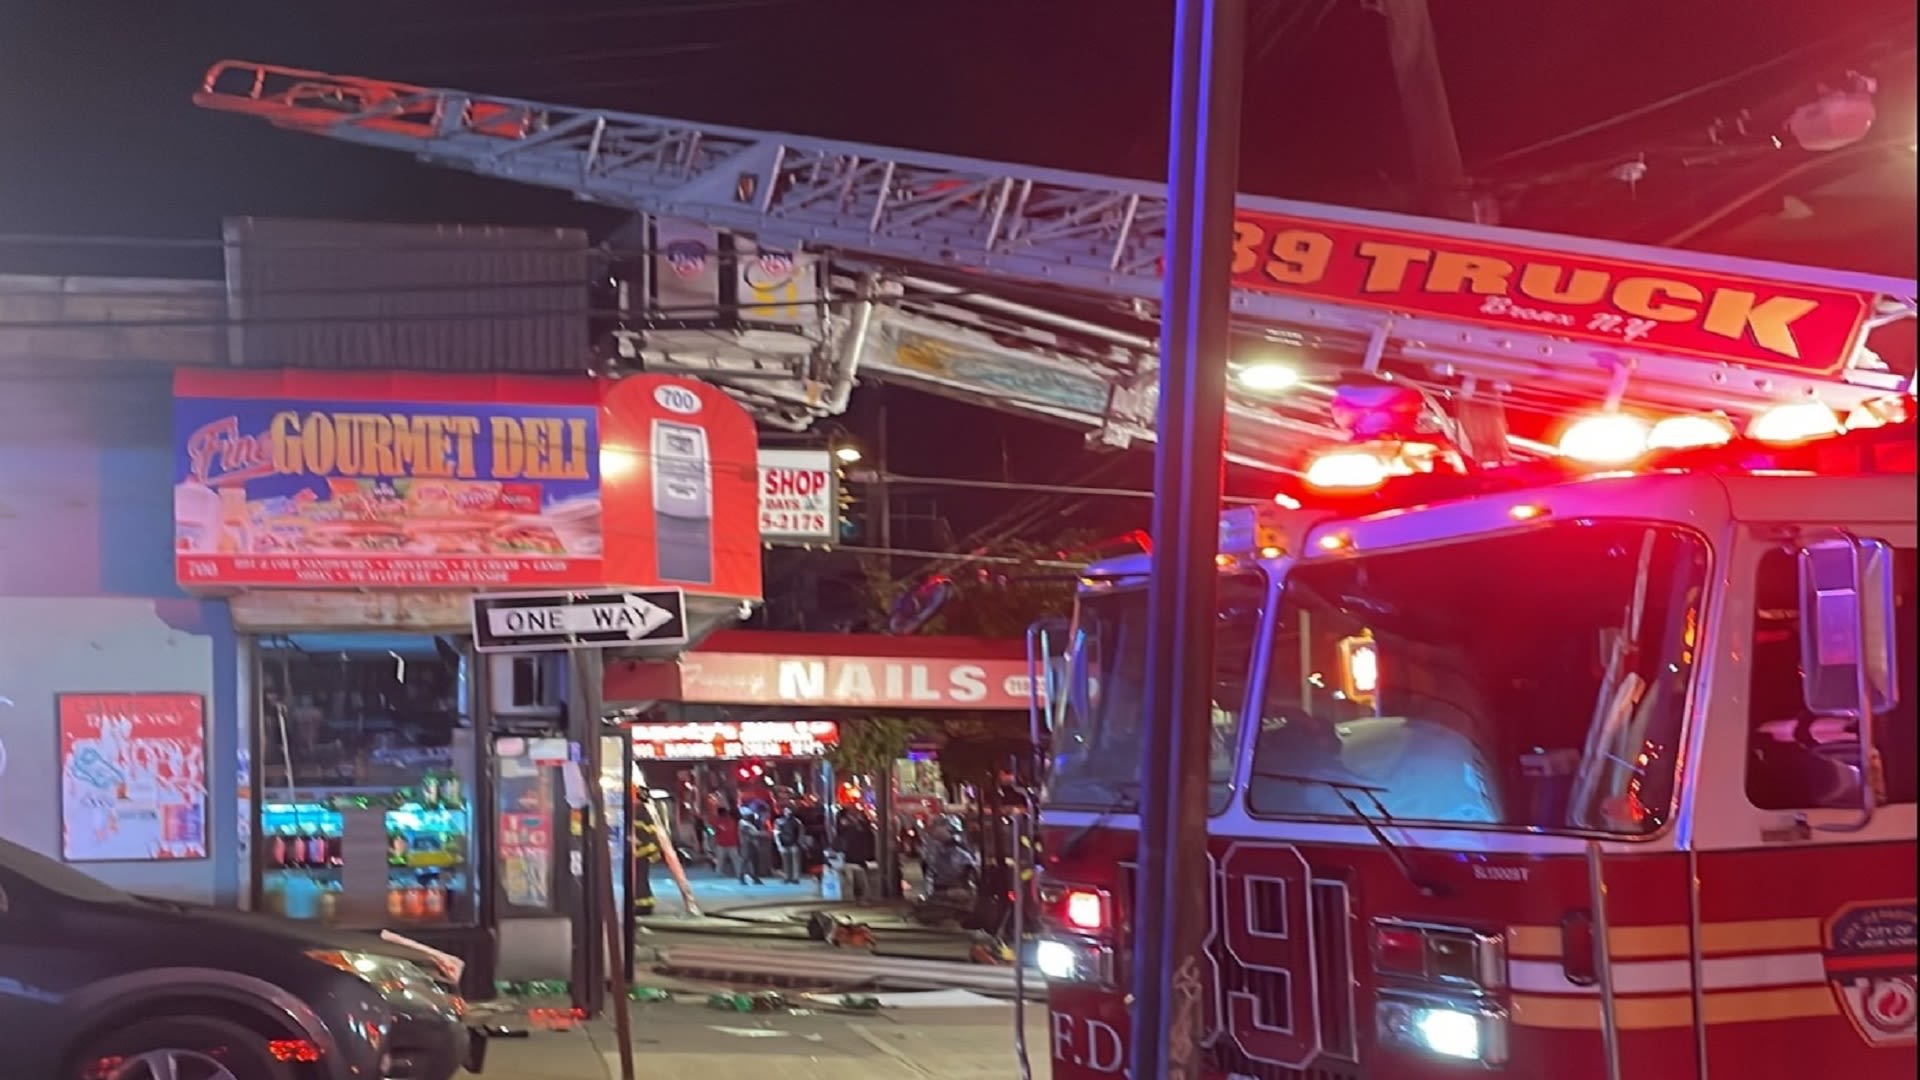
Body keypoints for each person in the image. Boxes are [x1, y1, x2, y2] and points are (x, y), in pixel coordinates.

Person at [832, 807, 877, 901]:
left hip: (852, 858)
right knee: (858, 879)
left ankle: (854, 898)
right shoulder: (858, 827)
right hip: (856, 858)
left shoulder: (851, 828)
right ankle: (859, 897)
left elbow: (839, 842)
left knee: (852, 879)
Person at [630, 806, 660, 918]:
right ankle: (644, 904)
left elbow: (649, 832)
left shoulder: (639, 811)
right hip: (641, 852)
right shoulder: (640, 810)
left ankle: (642, 905)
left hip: (640, 852)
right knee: (640, 879)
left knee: (639, 879)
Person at [709, 805, 744, 882]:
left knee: (724, 860)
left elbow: (710, 829)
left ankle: (737, 873)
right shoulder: (729, 821)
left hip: (725, 844)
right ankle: (738, 873)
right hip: (727, 844)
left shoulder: (727, 821)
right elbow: (710, 829)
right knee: (732, 860)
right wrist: (712, 834)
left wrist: (712, 834)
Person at [774, 806, 805, 884]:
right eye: (787, 811)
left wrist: (799, 843)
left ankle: (795, 877)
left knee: (795, 862)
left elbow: (801, 833)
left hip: (794, 844)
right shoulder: (779, 821)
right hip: (784, 844)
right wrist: (779, 845)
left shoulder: (797, 822)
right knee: (785, 862)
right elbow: (776, 834)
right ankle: (787, 877)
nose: (788, 813)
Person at [737, 808, 768, 885]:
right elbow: (752, 833)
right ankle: (742, 877)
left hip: (753, 844)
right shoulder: (743, 823)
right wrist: (764, 834)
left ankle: (755, 877)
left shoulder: (749, 824)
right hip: (746, 845)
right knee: (745, 862)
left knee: (755, 862)